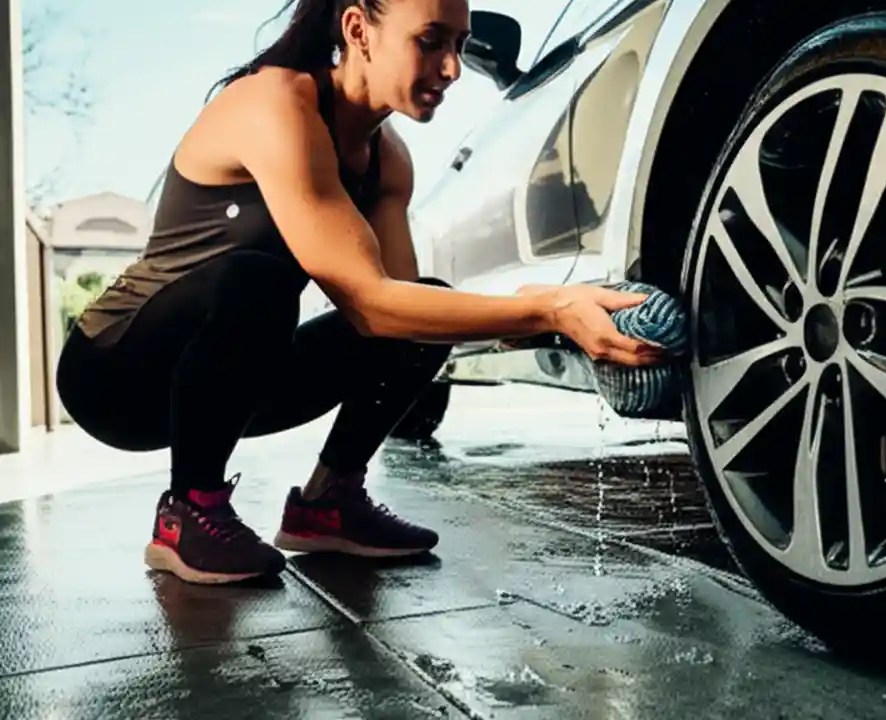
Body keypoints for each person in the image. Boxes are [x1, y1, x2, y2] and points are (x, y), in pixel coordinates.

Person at [54, 0, 662, 586]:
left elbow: (400, 312)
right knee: (257, 280)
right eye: (430, 41)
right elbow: (370, 305)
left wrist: (535, 310)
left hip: (232, 384)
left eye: (458, 45)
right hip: (114, 376)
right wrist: (548, 308)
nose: (452, 68)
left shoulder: (388, 161)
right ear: (357, 29)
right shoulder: (273, 104)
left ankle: (329, 504)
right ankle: (189, 512)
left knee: (424, 307)